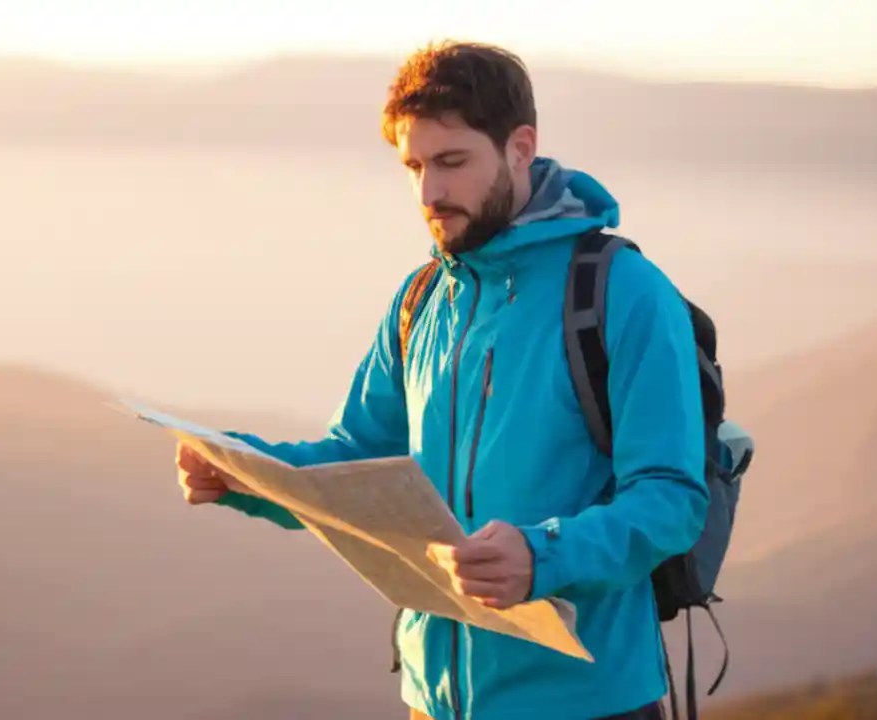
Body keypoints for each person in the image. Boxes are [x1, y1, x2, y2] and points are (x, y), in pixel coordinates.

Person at [176, 40, 708, 720]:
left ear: (520, 147)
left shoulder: (623, 292)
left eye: (452, 162)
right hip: (433, 702)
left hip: (586, 703)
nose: (429, 192)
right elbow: (356, 462)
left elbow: (671, 500)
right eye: (414, 166)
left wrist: (542, 555)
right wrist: (243, 473)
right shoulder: (422, 299)